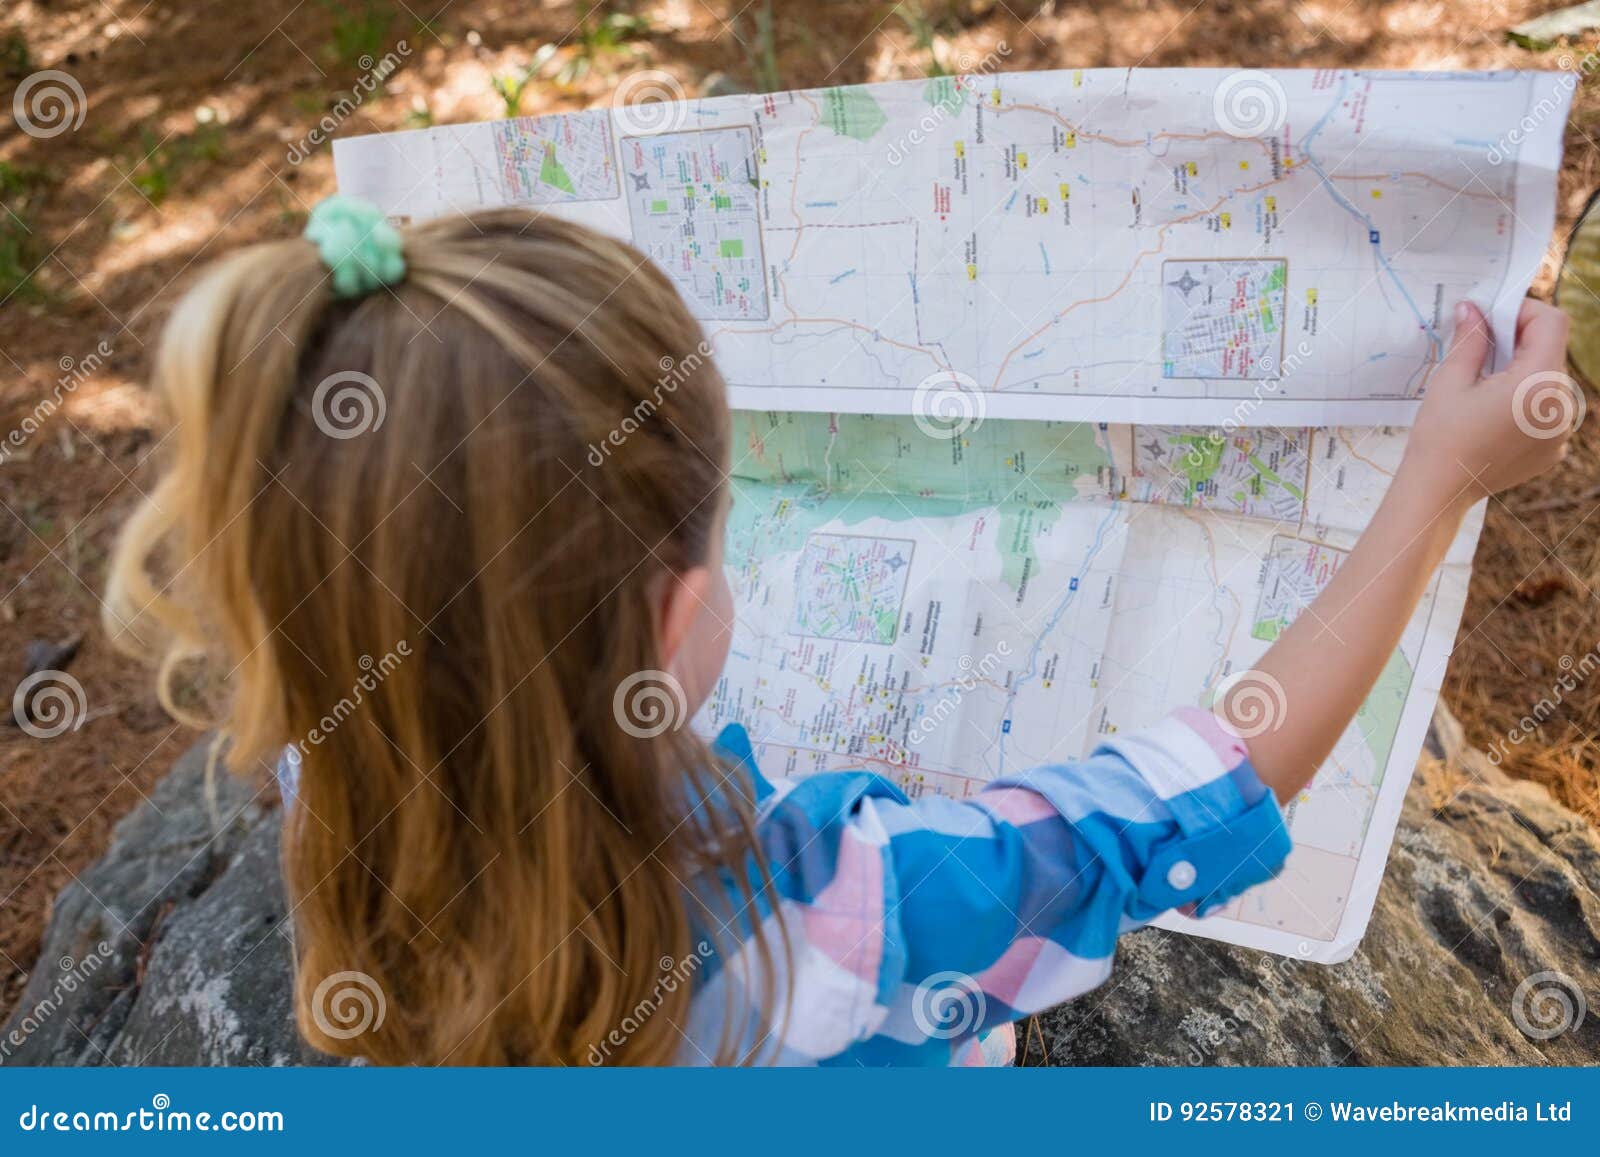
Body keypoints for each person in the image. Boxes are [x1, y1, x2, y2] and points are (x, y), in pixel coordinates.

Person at [107, 196, 1573, 1066]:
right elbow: (1197, 788)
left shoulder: (331, 759)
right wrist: (1437, 480)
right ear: (681, 620)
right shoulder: (844, 912)